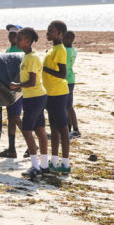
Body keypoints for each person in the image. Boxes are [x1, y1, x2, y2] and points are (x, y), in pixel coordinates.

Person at [10, 27, 50, 180]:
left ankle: (35, 165)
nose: (16, 41)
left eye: (19, 39)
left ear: (27, 41)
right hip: (35, 96)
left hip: (34, 97)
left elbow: (33, 81)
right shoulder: (27, 56)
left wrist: (17, 85)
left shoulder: (32, 58)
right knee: (39, 129)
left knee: (27, 130)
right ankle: (44, 165)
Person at [43, 20, 71, 174]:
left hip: (59, 93)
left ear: (60, 33)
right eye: (48, 30)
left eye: (51, 30)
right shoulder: (53, 49)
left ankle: (66, 164)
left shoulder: (60, 49)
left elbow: (63, 74)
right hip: (50, 93)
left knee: (63, 128)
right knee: (53, 127)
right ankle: (54, 160)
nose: (48, 33)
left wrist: (44, 68)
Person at [0, 24, 25, 158]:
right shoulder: (9, 49)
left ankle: (32, 145)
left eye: (14, 34)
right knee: (12, 119)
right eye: (10, 34)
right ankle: (12, 148)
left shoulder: (20, 51)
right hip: (10, 88)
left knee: (15, 117)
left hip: (17, 89)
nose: (11, 36)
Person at [64, 30, 80, 138]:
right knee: (67, 106)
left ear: (69, 40)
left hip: (66, 80)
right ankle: (70, 128)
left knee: (68, 106)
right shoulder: (73, 51)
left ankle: (75, 129)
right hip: (71, 79)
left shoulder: (65, 51)